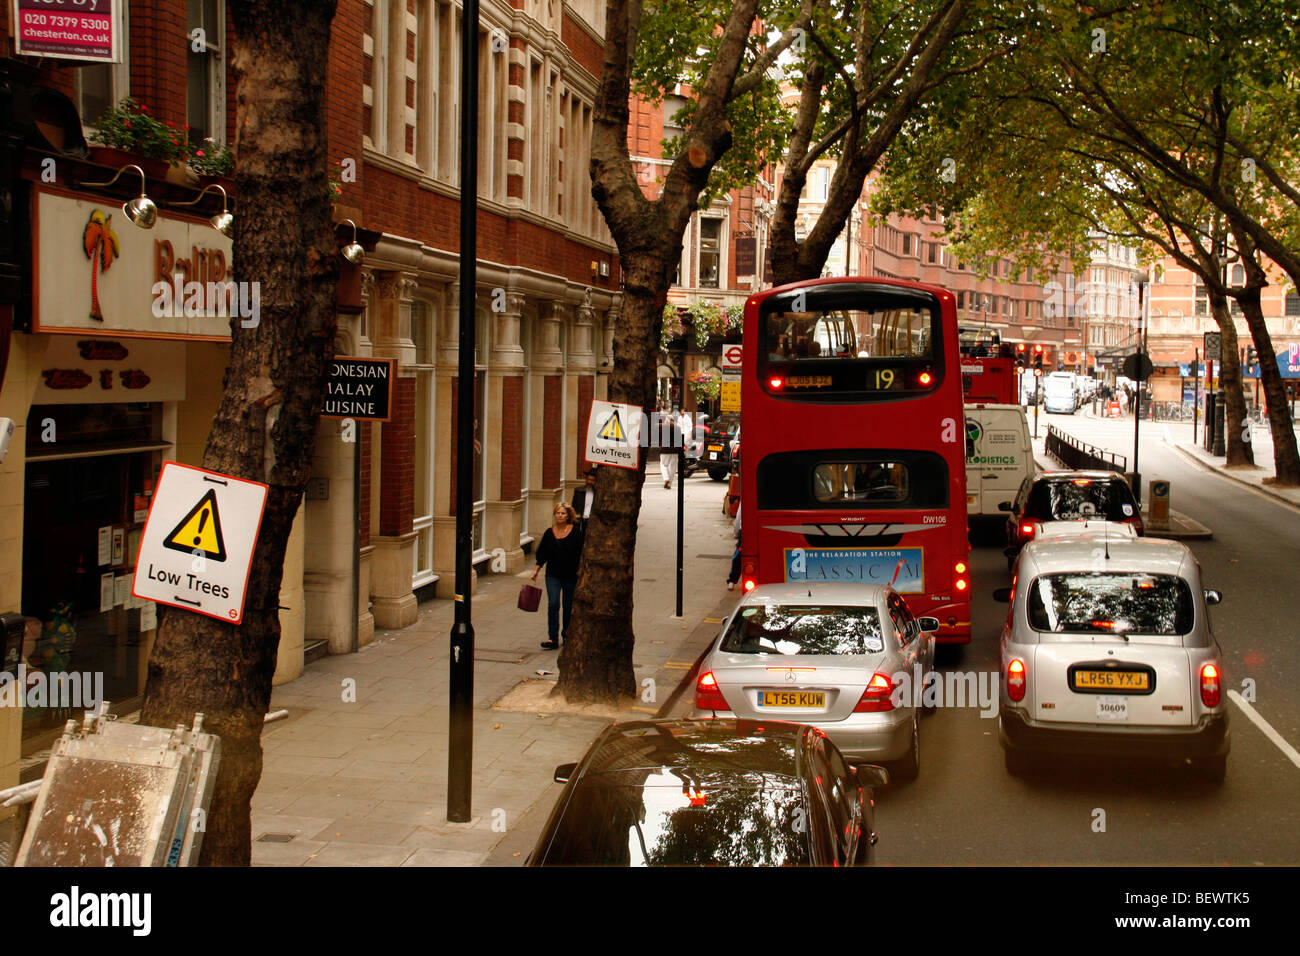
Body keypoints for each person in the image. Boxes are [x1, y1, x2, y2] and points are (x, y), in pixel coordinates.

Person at [531, 503, 584, 649]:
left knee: (568, 606)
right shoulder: (549, 532)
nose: (560, 516)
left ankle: (566, 635)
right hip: (553, 574)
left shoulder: (575, 532)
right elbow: (542, 553)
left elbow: (582, 552)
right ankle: (552, 638)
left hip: (571, 575)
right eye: (558, 513)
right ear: (554, 515)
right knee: (553, 603)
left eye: (563, 513)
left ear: (568, 516)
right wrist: (536, 570)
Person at [658, 408, 683, 488]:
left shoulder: (662, 427)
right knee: (673, 467)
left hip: (665, 449)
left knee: (663, 464)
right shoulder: (678, 428)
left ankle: (666, 479)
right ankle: (669, 484)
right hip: (675, 450)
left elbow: (658, 437)